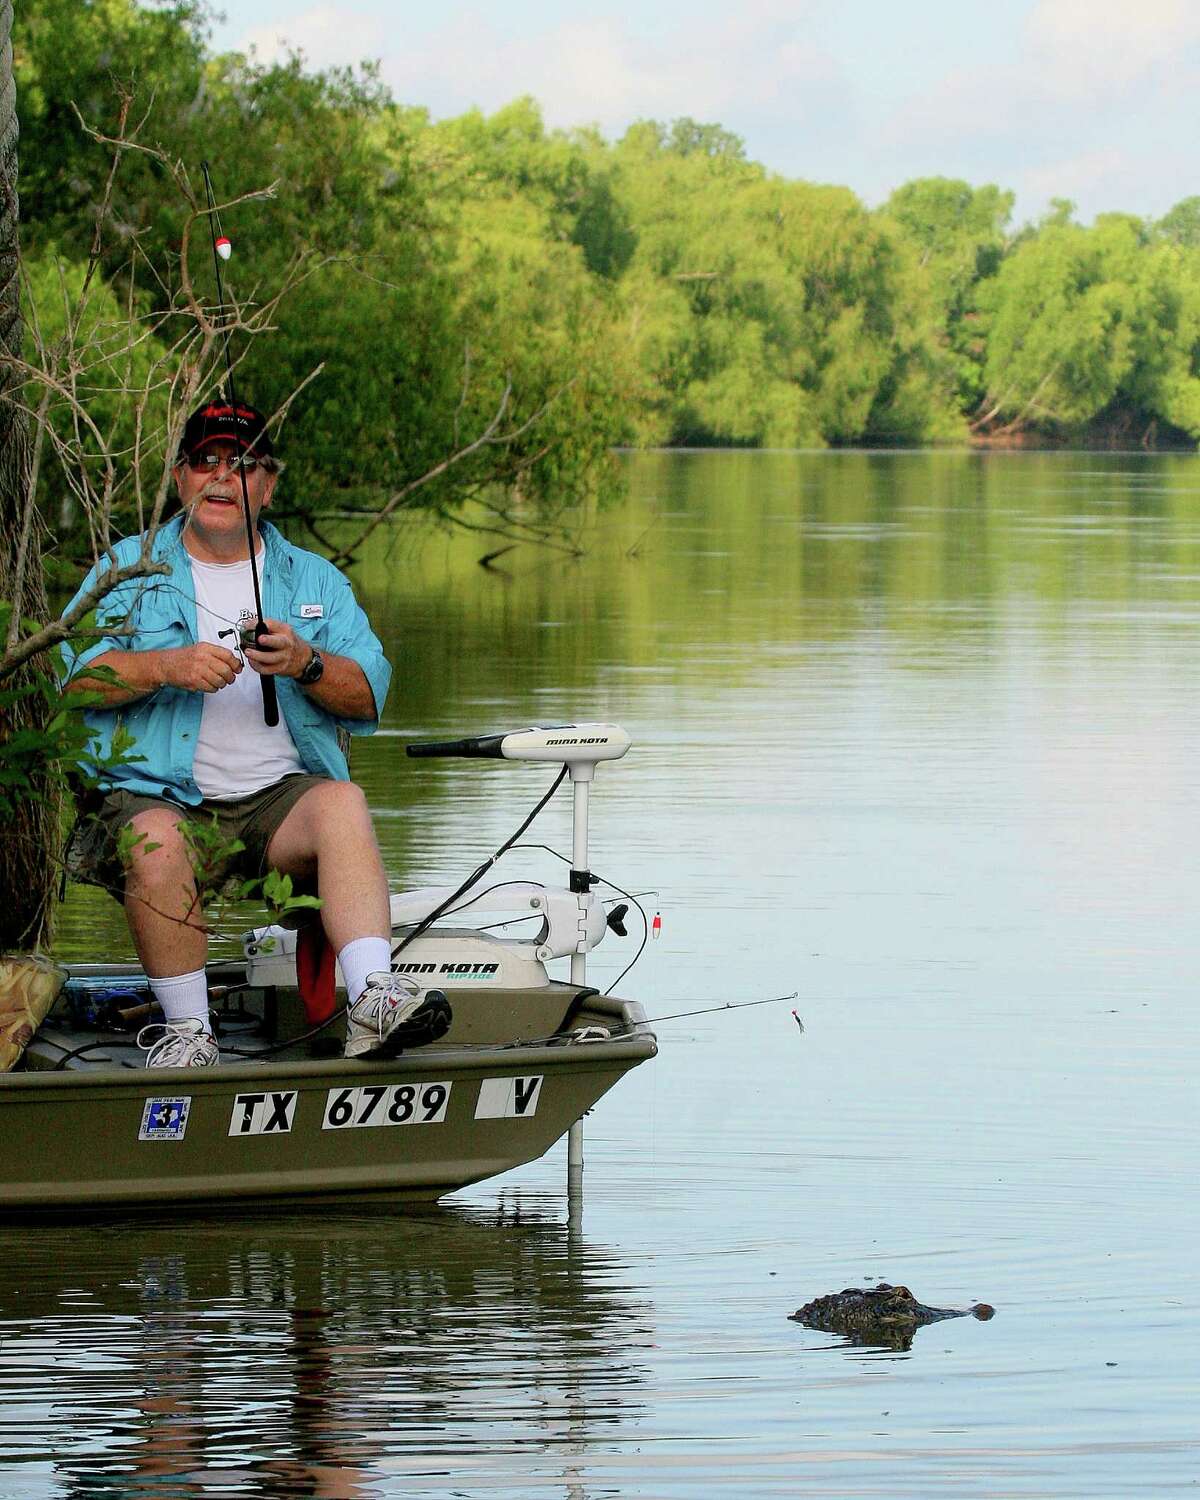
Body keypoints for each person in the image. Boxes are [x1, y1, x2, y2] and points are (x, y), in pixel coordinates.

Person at [61, 398, 447, 1067]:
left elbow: (370, 694)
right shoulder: (128, 569)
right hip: (158, 797)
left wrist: (307, 662)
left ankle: (375, 1001)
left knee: (344, 803)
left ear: (268, 485)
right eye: (204, 461)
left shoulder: (314, 580)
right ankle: (188, 1035)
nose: (221, 477)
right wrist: (163, 667)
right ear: (180, 478)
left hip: (277, 806)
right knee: (154, 840)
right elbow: (72, 681)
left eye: (242, 464)